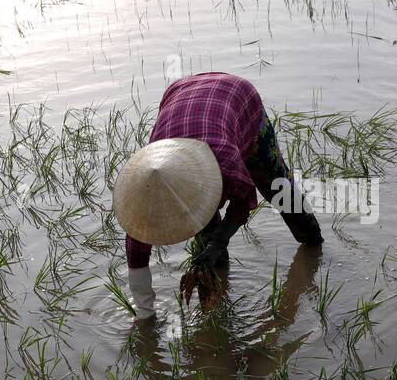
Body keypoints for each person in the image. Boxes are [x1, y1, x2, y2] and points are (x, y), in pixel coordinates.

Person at [114, 72, 322, 320]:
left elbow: (244, 198)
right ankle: (216, 283)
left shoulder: (223, 161)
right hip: (179, 95)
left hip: (238, 98)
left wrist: (219, 240)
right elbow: (136, 261)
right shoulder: (144, 199)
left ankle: (314, 246)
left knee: (280, 190)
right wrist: (144, 315)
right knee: (206, 239)